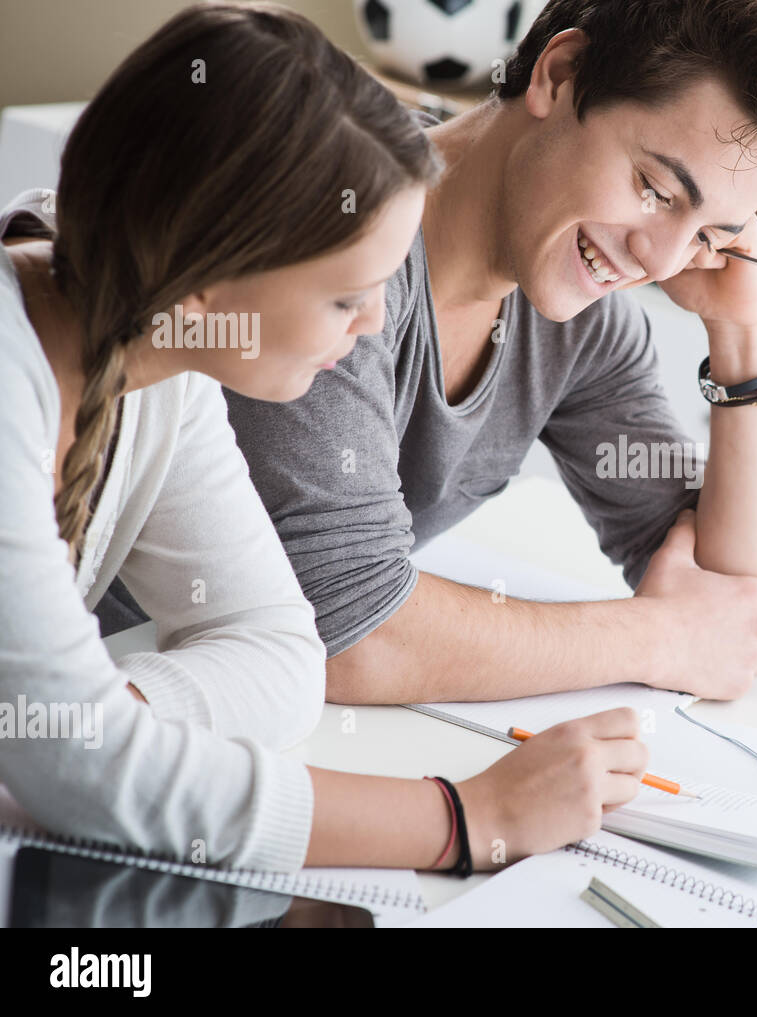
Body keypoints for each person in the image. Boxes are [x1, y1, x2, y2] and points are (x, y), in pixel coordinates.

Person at [0, 1, 645, 874]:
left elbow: (279, 651)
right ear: (203, 287)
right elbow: (86, 770)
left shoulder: (164, 366)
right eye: (347, 296)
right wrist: (461, 817)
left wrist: (104, 718)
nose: (376, 323)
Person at [213, 0, 757, 706]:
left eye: (712, 235)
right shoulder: (344, 220)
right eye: (654, 189)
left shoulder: (582, 321)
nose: (659, 260)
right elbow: (341, 632)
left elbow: (740, 608)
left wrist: (752, 342)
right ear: (559, 75)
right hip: (129, 695)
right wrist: (657, 636)